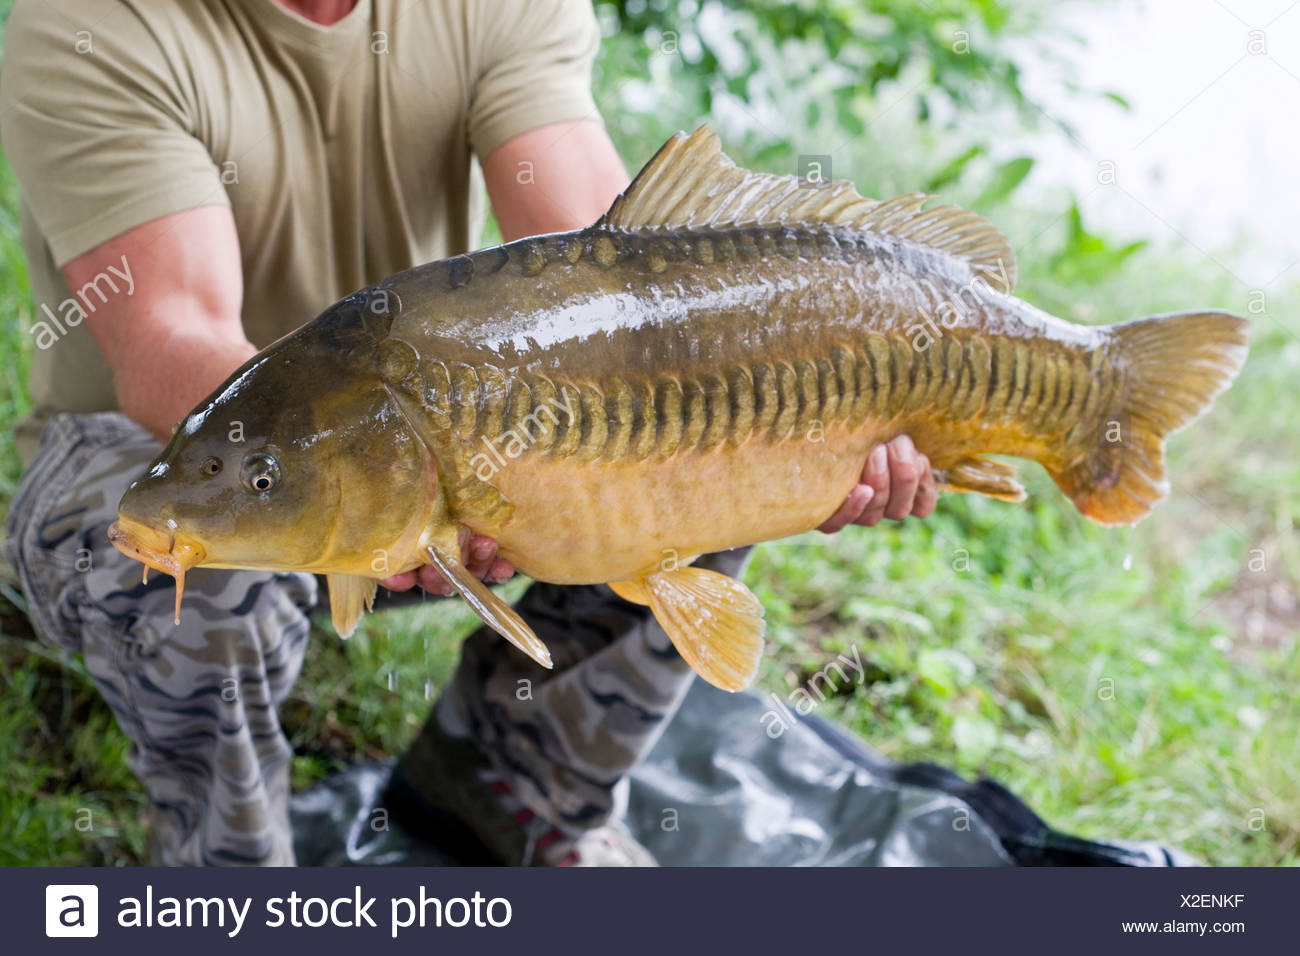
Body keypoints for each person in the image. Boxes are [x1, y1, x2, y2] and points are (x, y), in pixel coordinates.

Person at [0, 0, 937, 866]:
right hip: (153, 450)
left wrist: (830, 416)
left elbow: (615, 280)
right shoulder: (90, 22)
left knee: (687, 440)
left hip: (438, 445)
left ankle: (506, 789)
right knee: (182, 581)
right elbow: (172, 335)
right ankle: (227, 877)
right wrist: (357, 483)